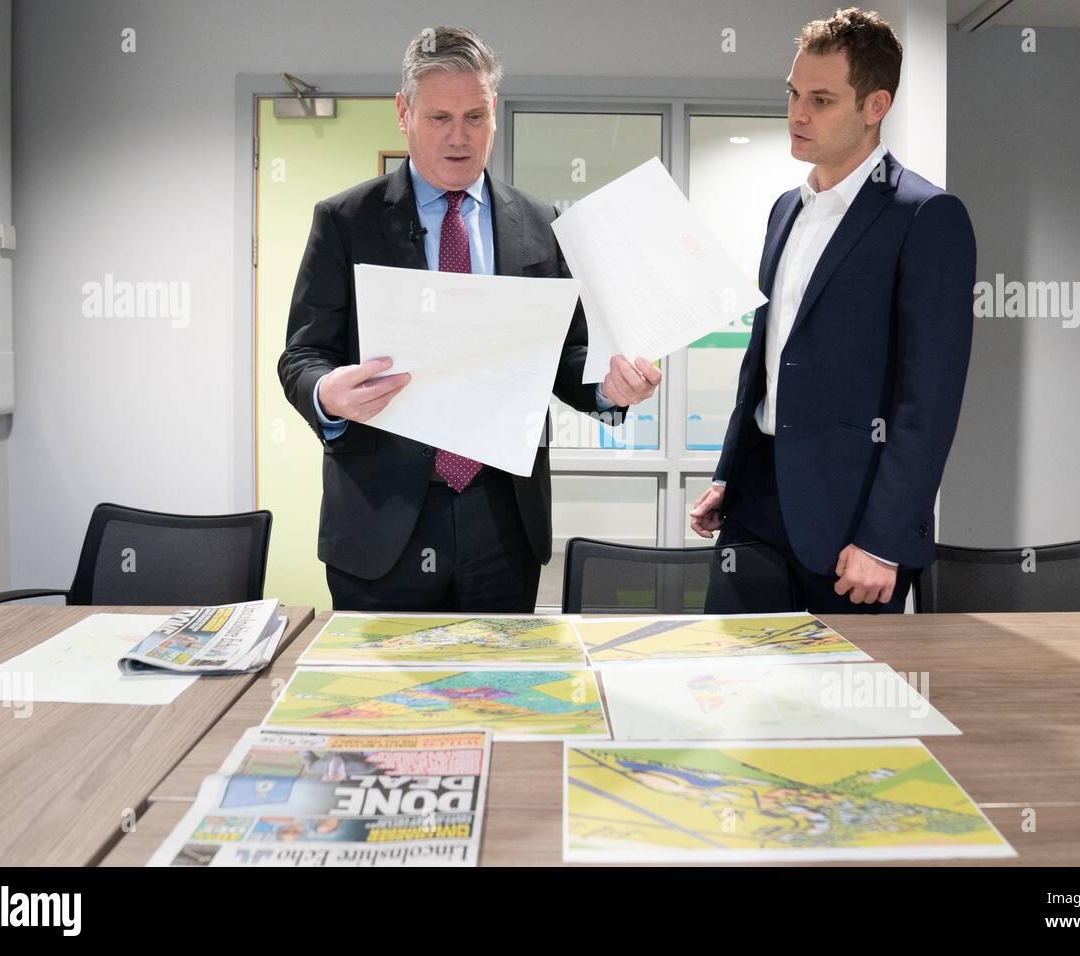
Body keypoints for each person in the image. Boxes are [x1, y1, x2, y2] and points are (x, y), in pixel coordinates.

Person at [279, 26, 660, 613]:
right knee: (383, 702)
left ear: (495, 113)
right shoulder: (345, 221)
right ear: (403, 113)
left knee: (498, 697)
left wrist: (608, 388)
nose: (459, 138)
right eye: (439, 118)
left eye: (475, 116)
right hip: (381, 522)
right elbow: (302, 356)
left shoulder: (539, 222)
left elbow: (567, 358)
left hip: (502, 519)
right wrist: (327, 394)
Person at [690, 7, 975, 614]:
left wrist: (884, 539)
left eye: (821, 100)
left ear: (875, 106)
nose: (797, 113)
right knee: (726, 686)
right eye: (793, 93)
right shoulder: (784, 211)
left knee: (838, 704)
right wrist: (729, 473)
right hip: (756, 502)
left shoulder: (925, 216)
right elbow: (765, 359)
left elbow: (930, 400)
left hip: (853, 526)